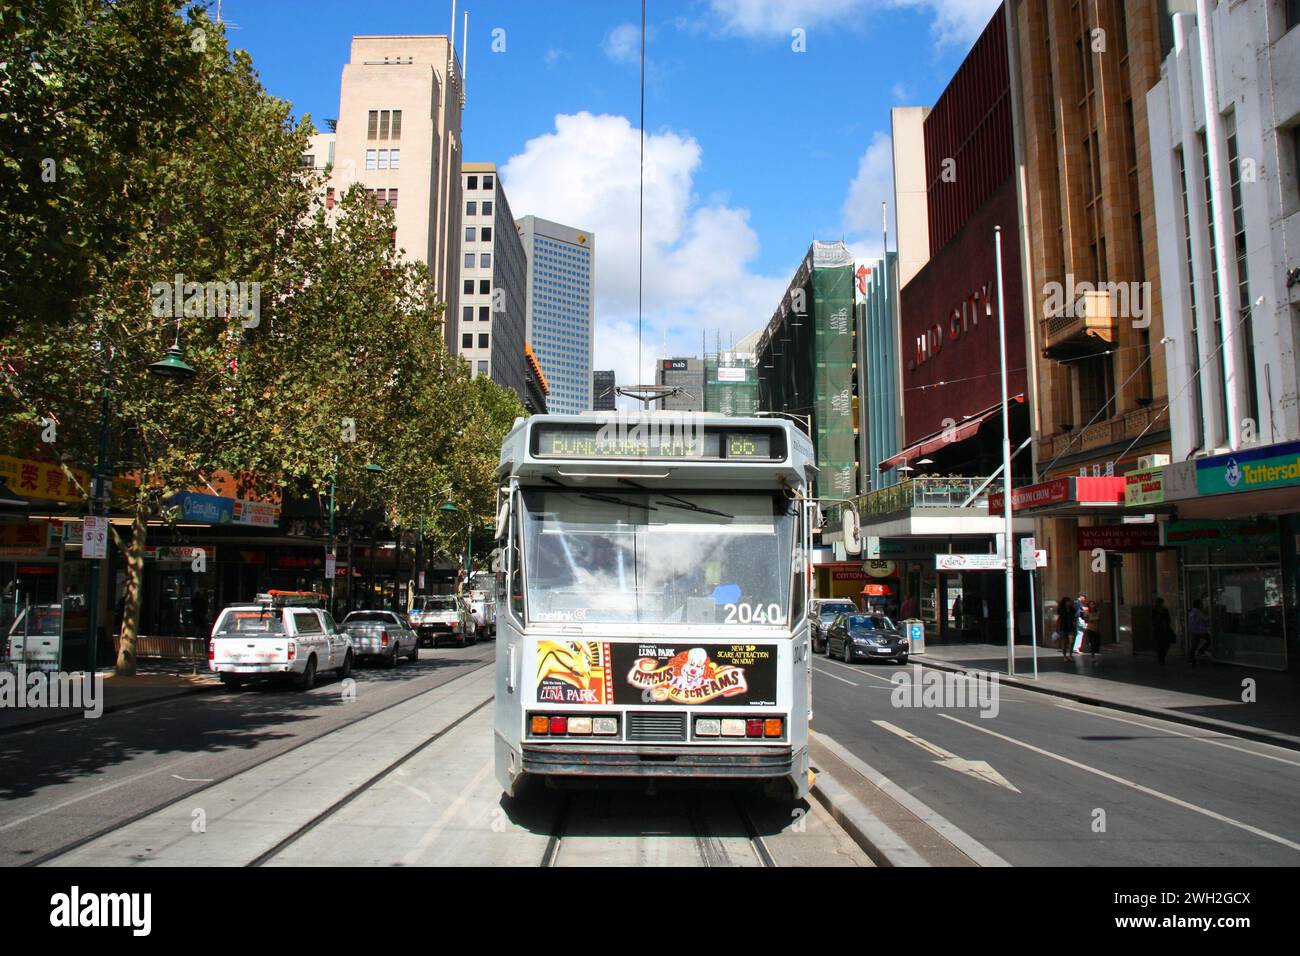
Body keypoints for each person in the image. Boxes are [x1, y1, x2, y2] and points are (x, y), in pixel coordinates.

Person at [1152, 596, 1174, 665]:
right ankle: (1161, 658)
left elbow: (1168, 619)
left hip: (1165, 629)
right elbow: (1153, 620)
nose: (1162, 604)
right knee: (1159, 645)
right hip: (1158, 630)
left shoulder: (1165, 610)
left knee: (1166, 644)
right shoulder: (1154, 611)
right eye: (1161, 603)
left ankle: (1162, 657)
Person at [1056, 595, 1077, 660]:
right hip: (1063, 627)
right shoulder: (1061, 610)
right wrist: (1057, 628)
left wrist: (1075, 624)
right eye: (1068, 602)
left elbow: (1074, 618)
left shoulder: (1072, 609)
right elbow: (1059, 619)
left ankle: (1070, 655)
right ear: (1064, 602)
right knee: (1064, 643)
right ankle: (1064, 656)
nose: (1069, 603)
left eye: (1069, 602)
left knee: (1071, 642)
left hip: (1071, 627)